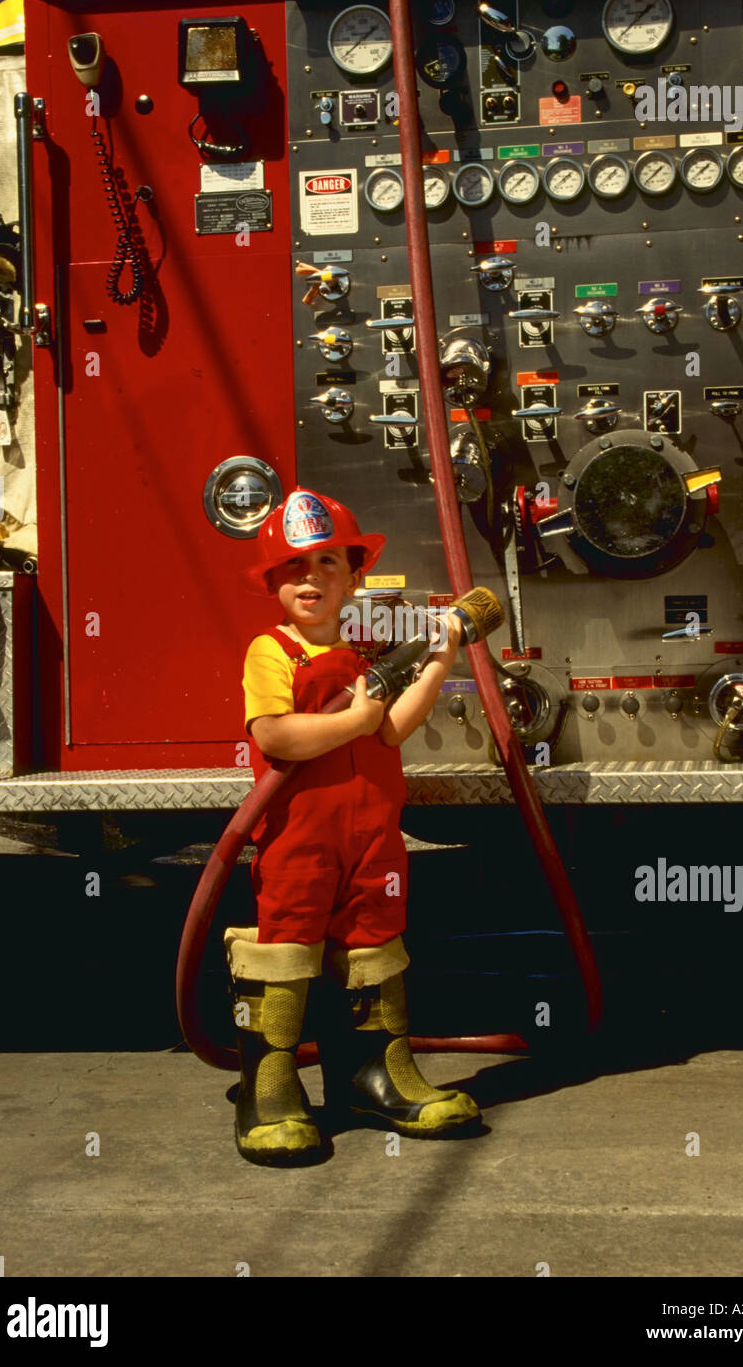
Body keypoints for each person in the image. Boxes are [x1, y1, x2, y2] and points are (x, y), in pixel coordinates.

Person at [224, 488, 481, 1165]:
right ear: (273, 581)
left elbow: (391, 727)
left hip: (372, 838)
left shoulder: (361, 663)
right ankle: (269, 1088)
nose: (311, 579)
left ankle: (373, 1077)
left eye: (329, 564)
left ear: (355, 576)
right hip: (300, 845)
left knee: (373, 943)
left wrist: (439, 664)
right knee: (285, 946)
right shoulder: (270, 653)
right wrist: (354, 720)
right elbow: (277, 736)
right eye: (294, 567)